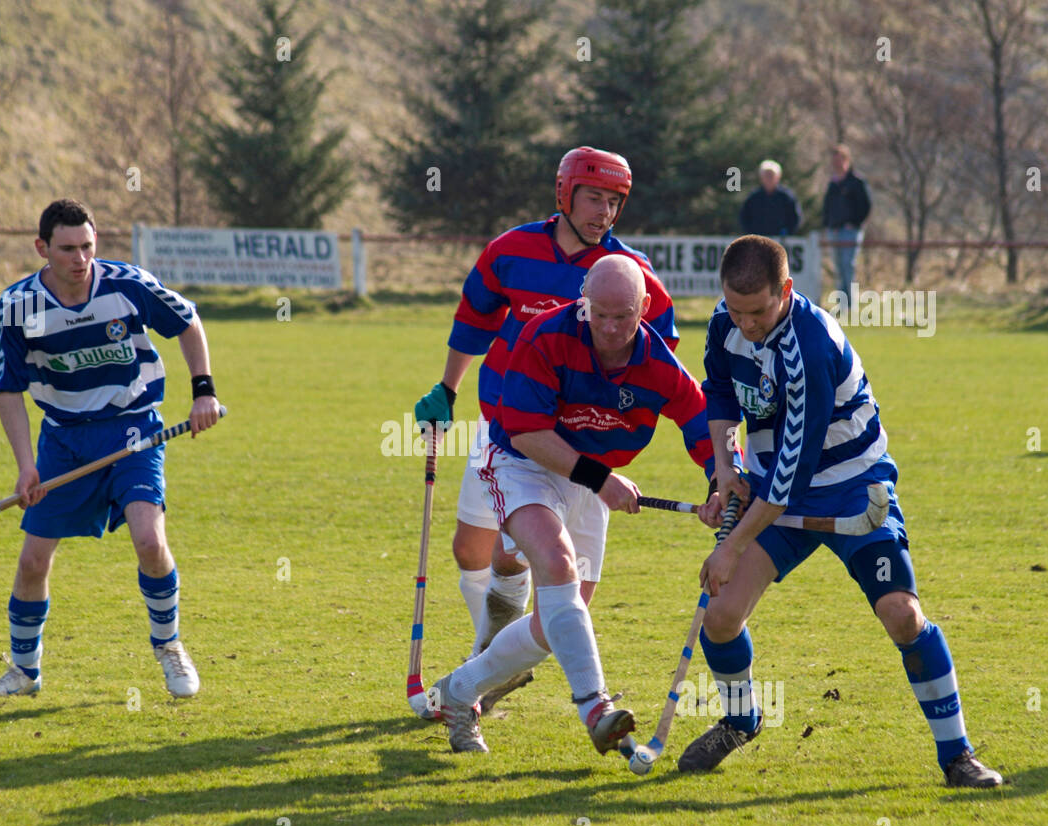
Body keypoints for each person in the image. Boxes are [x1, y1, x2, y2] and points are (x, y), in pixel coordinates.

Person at [682, 234, 1002, 788]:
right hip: (771, 488)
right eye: (736, 309)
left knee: (903, 615)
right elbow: (720, 393)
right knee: (720, 615)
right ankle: (740, 720)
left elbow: (792, 474)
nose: (746, 323)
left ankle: (958, 756)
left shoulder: (809, 346)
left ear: (786, 289)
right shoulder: (724, 320)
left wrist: (733, 545)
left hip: (851, 490)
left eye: (757, 311)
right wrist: (725, 469)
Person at [412, 146, 678, 713]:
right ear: (564, 194)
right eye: (593, 198)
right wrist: (448, 388)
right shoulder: (510, 252)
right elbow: (474, 320)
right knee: (472, 550)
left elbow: (659, 364)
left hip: (571, 445)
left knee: (530, 562)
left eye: (614, 202)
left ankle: (483, 666)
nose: (604, 212)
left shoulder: (630, 276)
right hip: (503, 429)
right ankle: (491, 659)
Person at [430, 254, 728, 755]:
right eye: (599, 314)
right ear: (582, 302)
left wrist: (720, 482)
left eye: (624, 316)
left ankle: (459, 692)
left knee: (555, 626)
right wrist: (600, 477)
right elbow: (526, 432)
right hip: (520, 463)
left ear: (645, 308)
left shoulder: (657, 364)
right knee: (557, 564)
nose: (610, 329)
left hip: (589, 478)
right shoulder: (545, 336)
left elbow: (701, 422)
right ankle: (596, 708)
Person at [0, 199, 222, 700]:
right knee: (32, 562)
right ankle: (24, 672)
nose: (79, 258)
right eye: (67, 249)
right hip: (64, 439)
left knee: (150, 544)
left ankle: (169, 646)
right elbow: (7, 390)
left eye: (87, 246)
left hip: (133, 430)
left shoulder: (128, 285)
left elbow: (188, 321)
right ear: (42, 248)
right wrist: (26, 467)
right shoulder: (17, 305)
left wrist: (204, 391)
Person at [821, 144, 871, 297]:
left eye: (839, 161)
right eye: (834, 162)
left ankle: (850, 302)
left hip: (850, 231)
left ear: (847, 161)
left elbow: (866, 205)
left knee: (848, 265)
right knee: (837, 267)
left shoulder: (856, 182)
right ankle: (841, 301)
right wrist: (828, 225)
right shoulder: (833, 183)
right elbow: (827, 207)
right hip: (834, 230)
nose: (837, 165)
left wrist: (854, 223)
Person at [739, 160, 802, 237]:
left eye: (771, 175)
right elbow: (744, 218)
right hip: (758, 241)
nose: (769, 178)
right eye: (766, 175)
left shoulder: (786, 197)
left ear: (778, 177)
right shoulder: (753, 197)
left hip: (781, 241)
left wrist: (787, 232)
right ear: (761, 177)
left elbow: (795, 218)